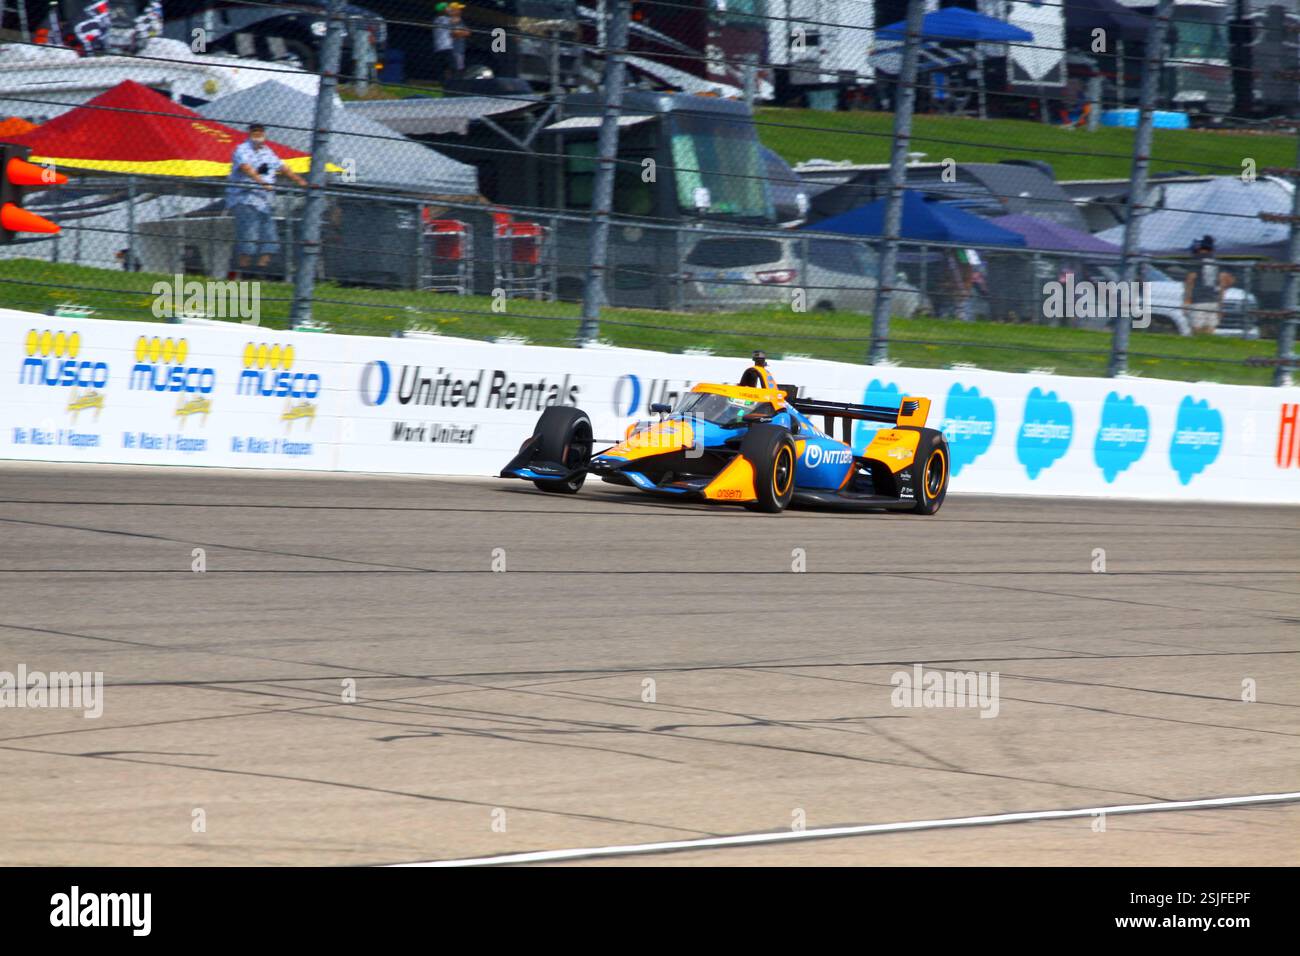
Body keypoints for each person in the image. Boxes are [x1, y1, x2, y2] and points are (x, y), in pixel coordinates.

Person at [225, 123, 307, 278]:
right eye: (255, 131)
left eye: (261, 131)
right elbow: (246, 168)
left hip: (264, 201)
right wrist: (263, 183)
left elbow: (283, 167)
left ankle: (260, 273)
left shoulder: (267, 152)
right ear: (249, 133)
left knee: (270, 238)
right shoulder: (242, 149)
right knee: (249, 235)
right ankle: (243, 273)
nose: (258, 134)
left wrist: (300, 181)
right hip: (245, 198)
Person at [1182, 234, 1234, 334]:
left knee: (1196, 330)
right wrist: (1220, 304)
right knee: (1209, 331)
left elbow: (1190, 279)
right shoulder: (1216, 262)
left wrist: (1187, 299)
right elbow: (1225, 282)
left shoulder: (1196, 261)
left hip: (1197, 301)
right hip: (1213, 301)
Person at [432, 3, 455, 82]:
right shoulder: (444, 19)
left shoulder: (436, 19)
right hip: (446, 46)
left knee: (445, 67)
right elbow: (455, 20)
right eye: (447, 8)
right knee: (449, 66)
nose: (448, 9)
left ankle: (446, 81)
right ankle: (449, 81)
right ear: (442, 10)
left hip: (439, 47)